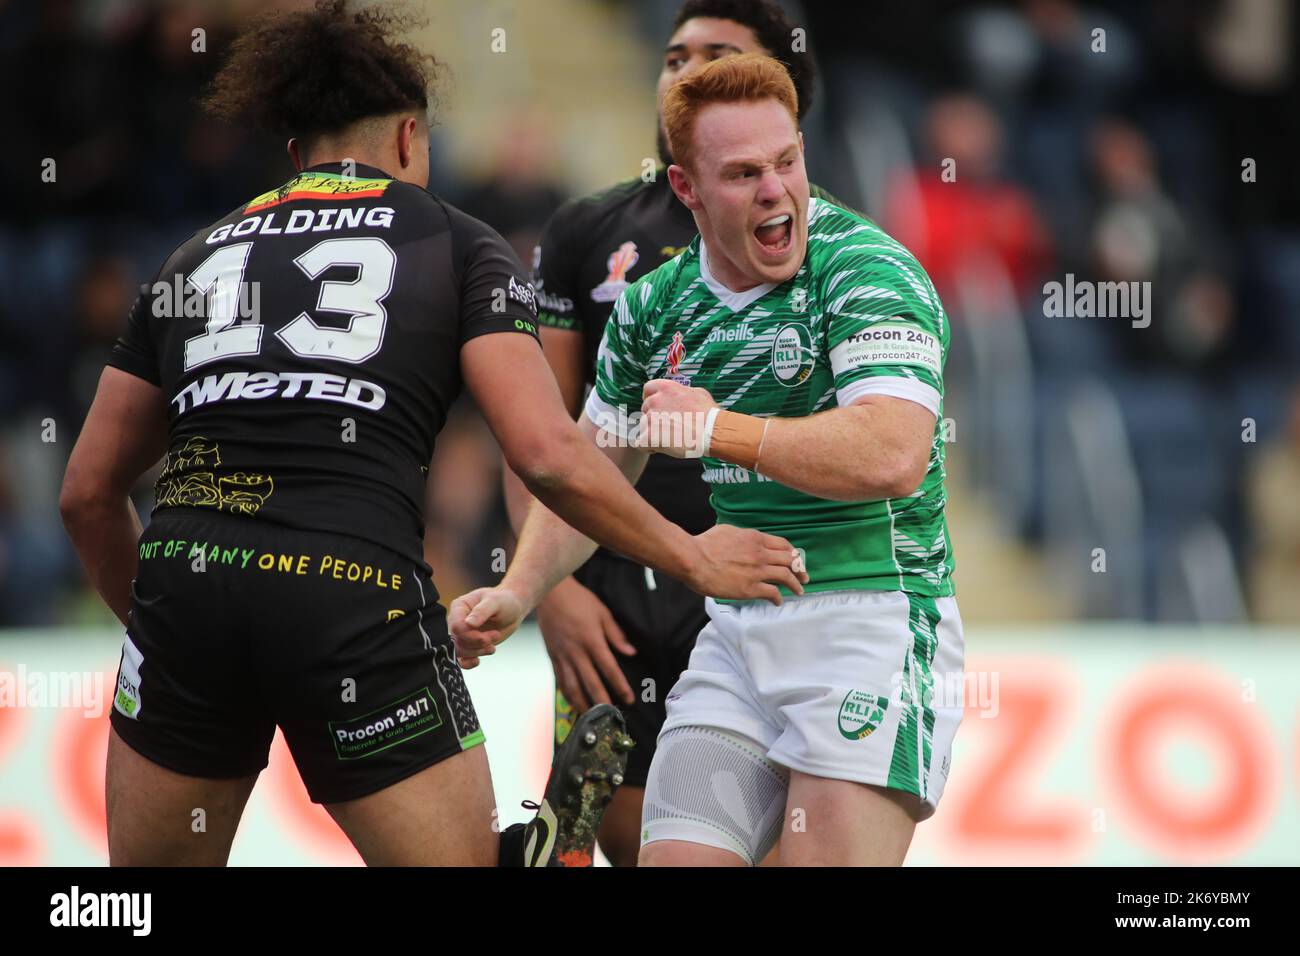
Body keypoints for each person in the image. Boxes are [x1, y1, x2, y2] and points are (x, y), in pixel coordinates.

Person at [59, 1, 803, 867]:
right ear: (410, 139)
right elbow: (549, 455)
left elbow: (84, 493)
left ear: (295, 152)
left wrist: (169, 636)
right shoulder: (457, 244)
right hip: (346, 591)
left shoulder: (195, 255)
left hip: (185, 586)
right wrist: (695, 556)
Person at [454, 53, 963, 867]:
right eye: (742, 174)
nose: (775, 190)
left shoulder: (867, 269)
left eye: (786, 162)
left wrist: (719, 428)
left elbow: (894, 452)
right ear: (686, 190)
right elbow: (593, 472)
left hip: (870, 627)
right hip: (734, 638)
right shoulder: (655, 305)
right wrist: (520, 590)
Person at [508, 0, 844, 867]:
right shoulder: (588, 231)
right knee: (633, 842)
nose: (686, 73)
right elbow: (542, 433)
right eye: (672, 56)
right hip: (612, 581)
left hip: (764, 578)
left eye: (717, 55)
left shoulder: (830, 247)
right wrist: (547, 590)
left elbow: (883, 443)